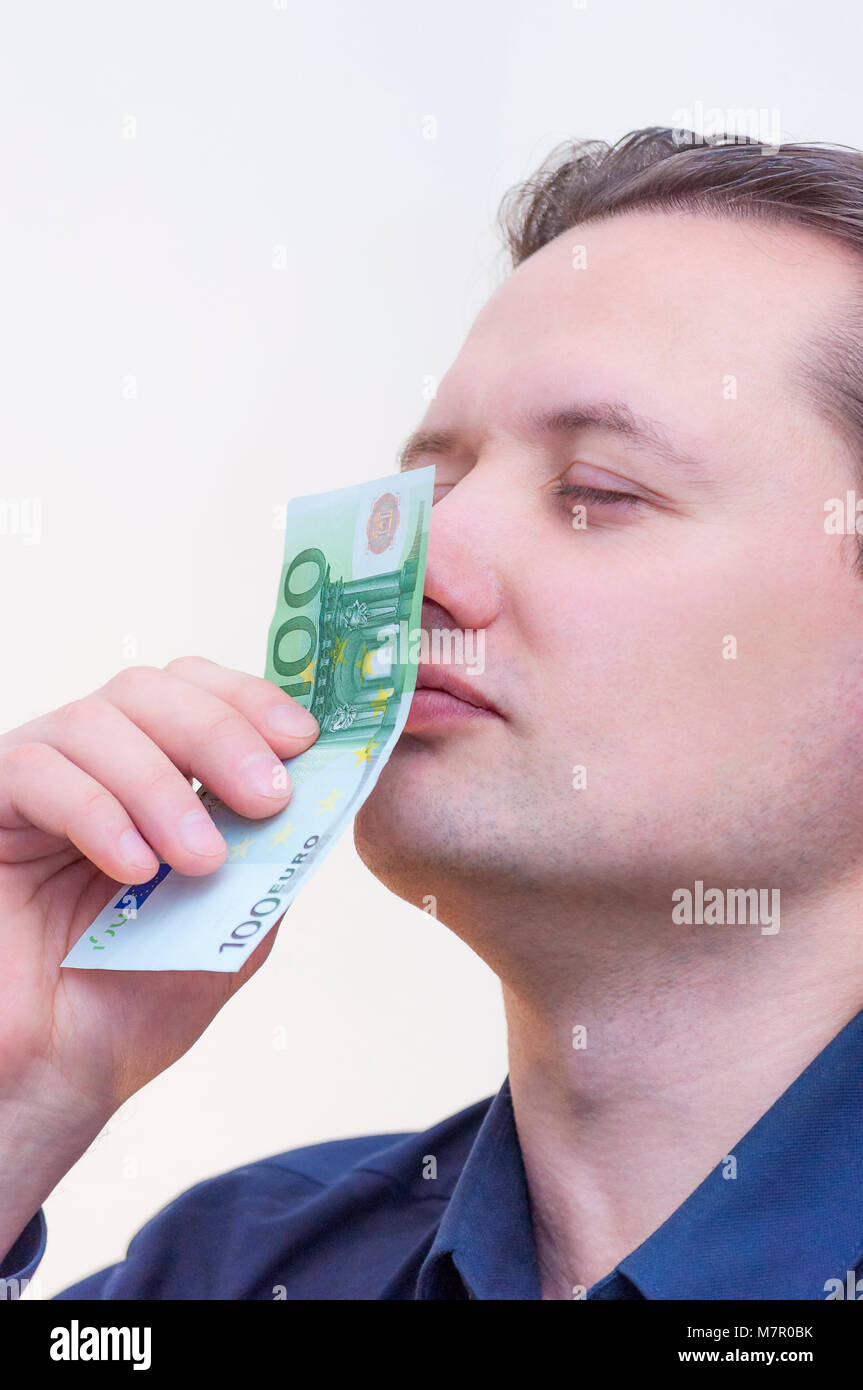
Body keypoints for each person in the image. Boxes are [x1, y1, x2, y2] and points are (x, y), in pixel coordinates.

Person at [5, 126, 863, 1302]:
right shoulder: (223, 1274)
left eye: (597, 493)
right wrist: (17, 1109)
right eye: (435, 481)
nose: (418, 557)